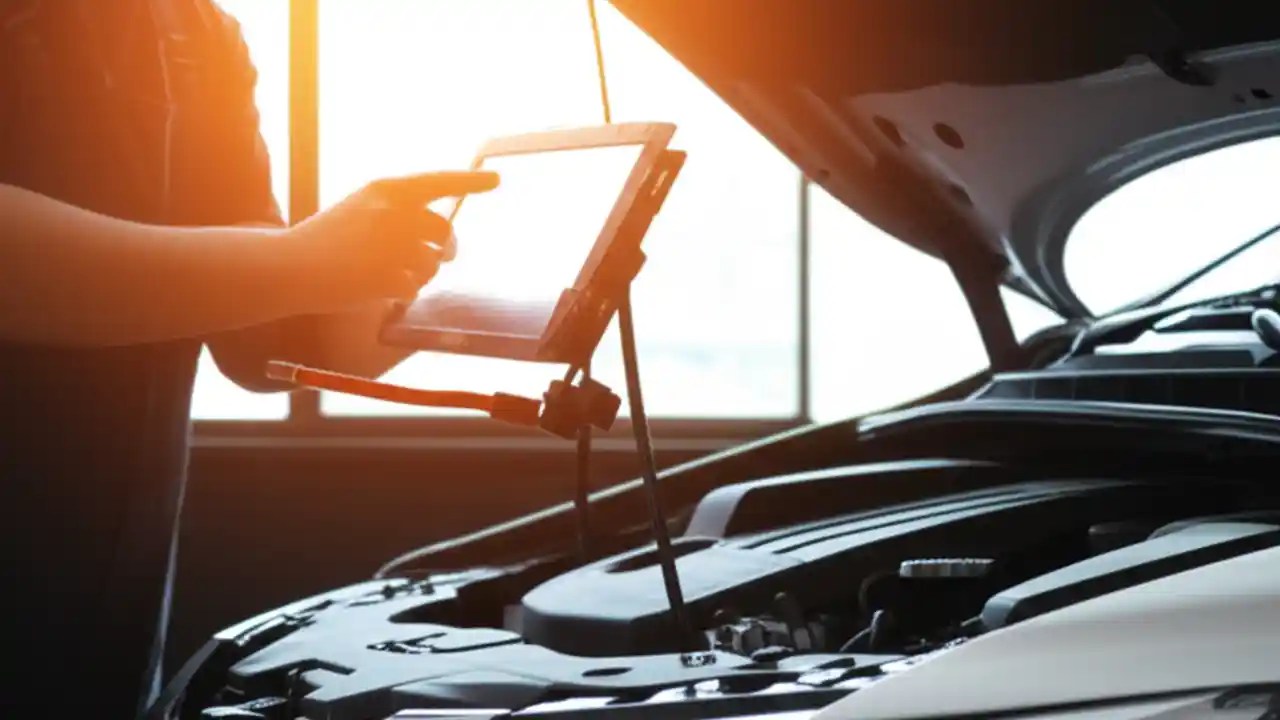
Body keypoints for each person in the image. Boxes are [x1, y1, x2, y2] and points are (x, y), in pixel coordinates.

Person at [0, 1, 497, 717]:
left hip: (106, 611)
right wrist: (304, 261)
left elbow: (264, 344)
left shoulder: (199, 31)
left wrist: (398, 291)